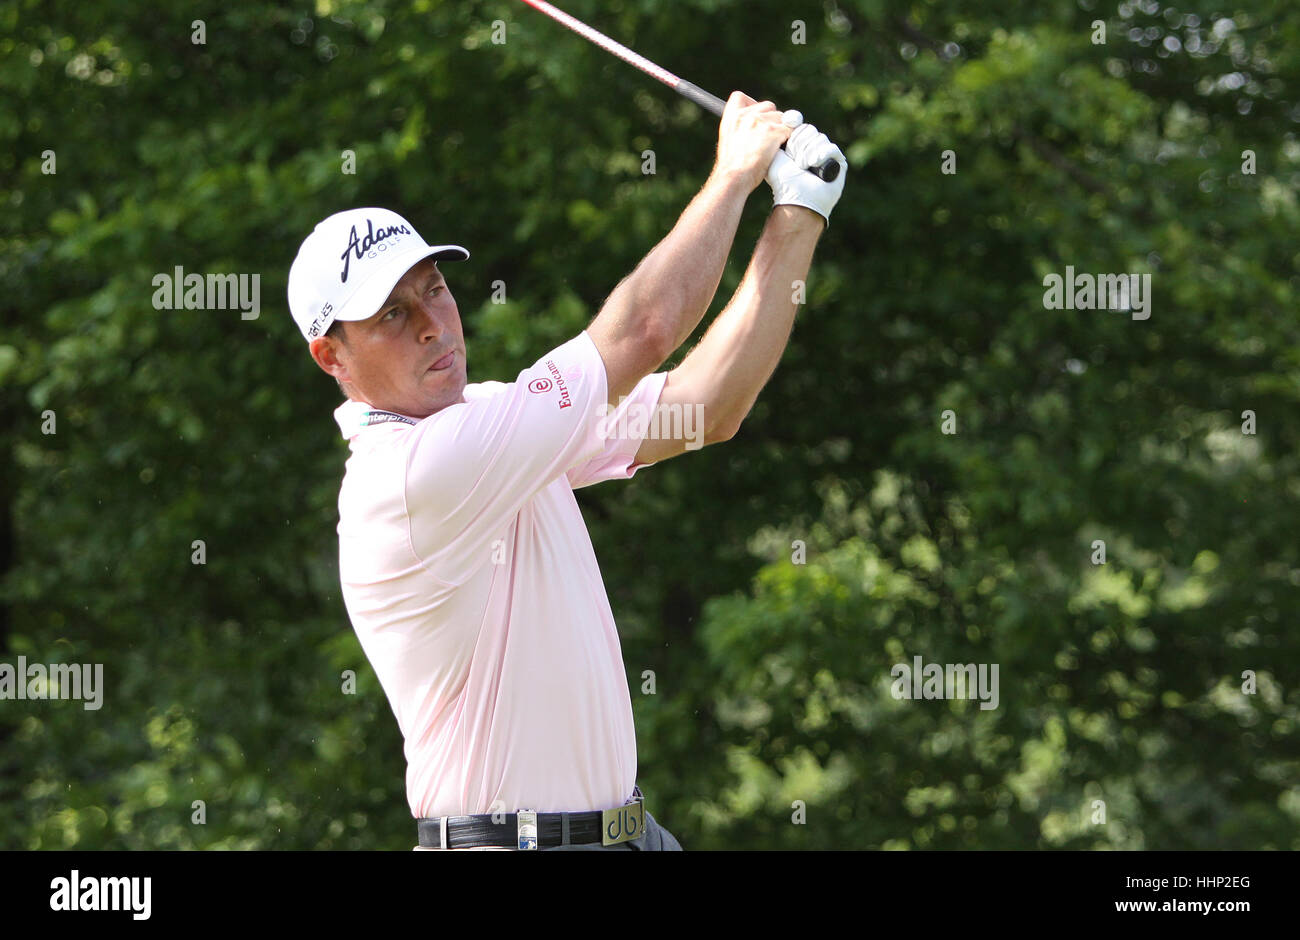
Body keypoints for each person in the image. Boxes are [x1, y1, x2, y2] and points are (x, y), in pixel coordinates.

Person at [285, 92, 847, 850]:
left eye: (435, 290)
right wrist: (731, 176)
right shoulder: (410, 477)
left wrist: (800, 207)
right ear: (332, 357)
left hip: (631, 834)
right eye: (391, 314)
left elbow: (707, 407)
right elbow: (645, 330)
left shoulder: (491, 425)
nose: (431, 324)